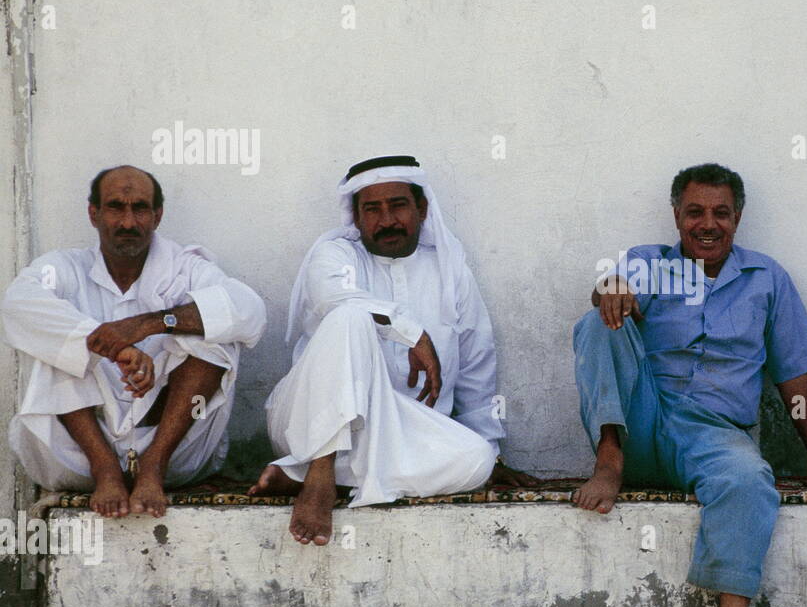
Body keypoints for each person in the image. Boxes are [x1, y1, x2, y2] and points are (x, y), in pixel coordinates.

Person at [572, 163, 807, 607]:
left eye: (720, 214)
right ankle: (608, 460)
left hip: (714, 435)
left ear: (738, 218)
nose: (708, 224)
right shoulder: (648, 263)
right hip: (640, 419)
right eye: (695, 213)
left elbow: (794, 375)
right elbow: (611, 289)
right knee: (598, 324)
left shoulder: (767, 278)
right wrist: (609, 290)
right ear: (676, 216)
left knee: (750, 478)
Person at [253, 155, 535, 546]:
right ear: (356, 216)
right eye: (372, 209)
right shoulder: (336, 256)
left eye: (398, 205)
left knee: (475, 460)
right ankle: (318, 471)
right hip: (308, 420)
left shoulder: (450, 271)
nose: (386, 220)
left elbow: (476, 364)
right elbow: (334, 299)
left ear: (421, 209)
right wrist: (412, 332)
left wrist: (490, 449)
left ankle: (302, 474)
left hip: (407, 434)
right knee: (351, 316)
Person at [1, 165, 266, 518]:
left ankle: (152, 464)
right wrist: (116, 347)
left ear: (157, 215)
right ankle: (106, 467)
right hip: (75, 457)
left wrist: (149, 324)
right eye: (115, 207)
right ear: (93, 213)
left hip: (177, 455)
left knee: (216, 340)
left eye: (140, 208)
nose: (128, 222)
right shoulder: (64, 268)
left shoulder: (185, 268)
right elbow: (16, 304)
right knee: (52, 340)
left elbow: (250, 312)